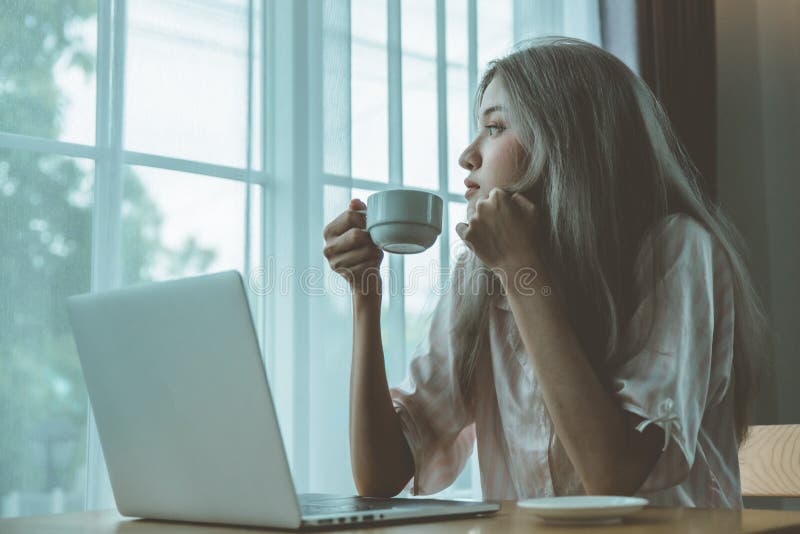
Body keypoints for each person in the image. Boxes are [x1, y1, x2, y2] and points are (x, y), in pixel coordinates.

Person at [321, 37, 768, 508]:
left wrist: (520, 268)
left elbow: (612, 474)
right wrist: (365, 297)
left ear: (569, 143)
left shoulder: (676, 252)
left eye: (494, 127)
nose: (468, 156)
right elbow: (380, 475)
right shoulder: (480, 277)